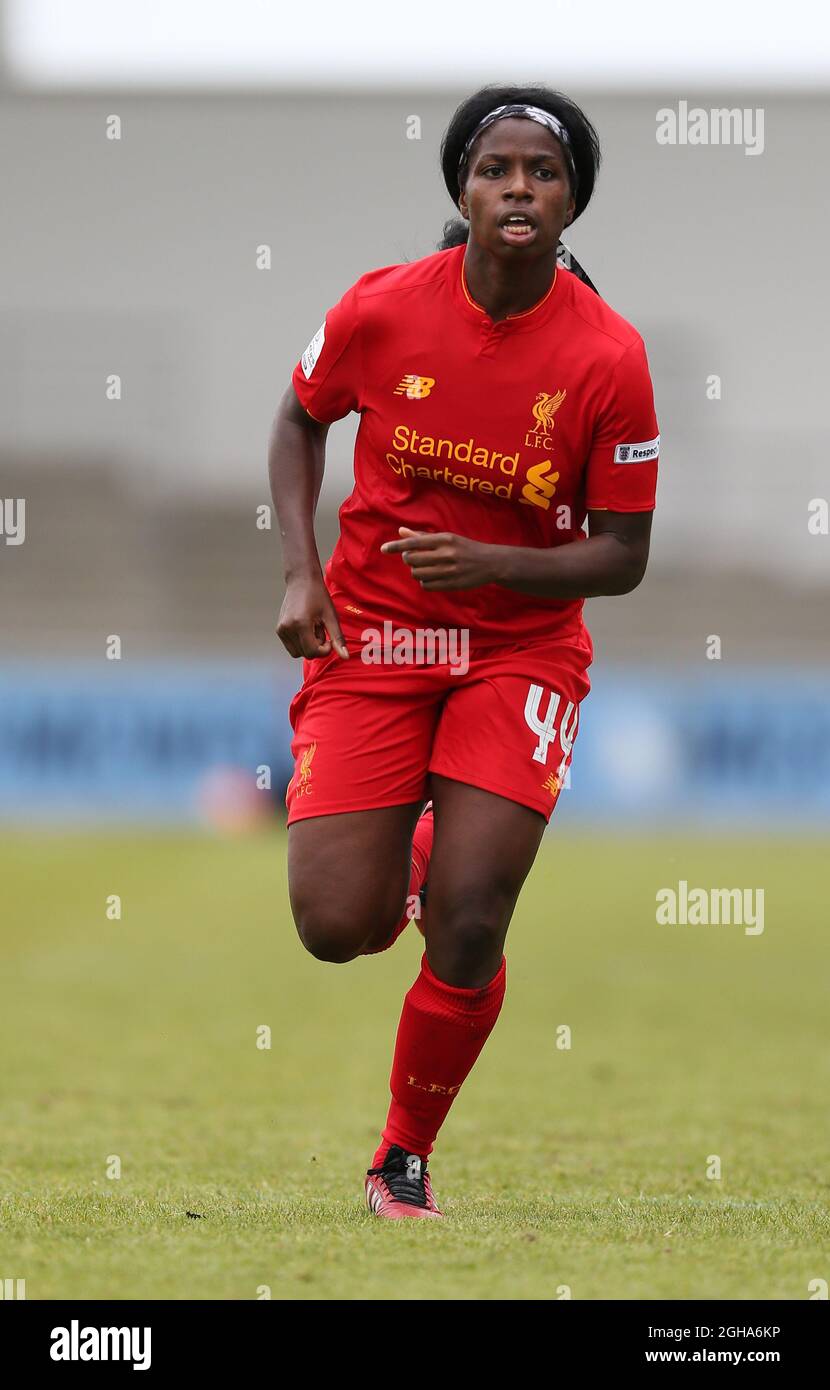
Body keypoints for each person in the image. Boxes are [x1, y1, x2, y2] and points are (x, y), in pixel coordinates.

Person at [268, 83, 660, 1220]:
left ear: (571, 197)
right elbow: (298, 416)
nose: (517, 188)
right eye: (496, 168)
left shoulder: (608, 357)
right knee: (336, 929)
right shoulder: (379, 308)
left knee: (473, 917)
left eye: (541, 171)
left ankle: (400, 1160)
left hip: (521, 650)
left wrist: (495, 568)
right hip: (376, 634)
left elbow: (622, 556)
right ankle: (418, 843)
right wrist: (299, 571)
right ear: (461, 188)